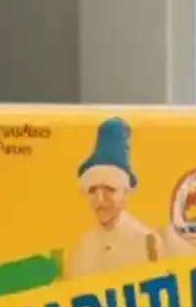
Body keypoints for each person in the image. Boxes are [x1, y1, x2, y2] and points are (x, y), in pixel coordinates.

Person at [68, 117, 164, 280]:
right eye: (92, 191)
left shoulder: (148, 241)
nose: (100, 200)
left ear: (124, 192)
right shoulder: (82, 248)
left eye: (109, 190)